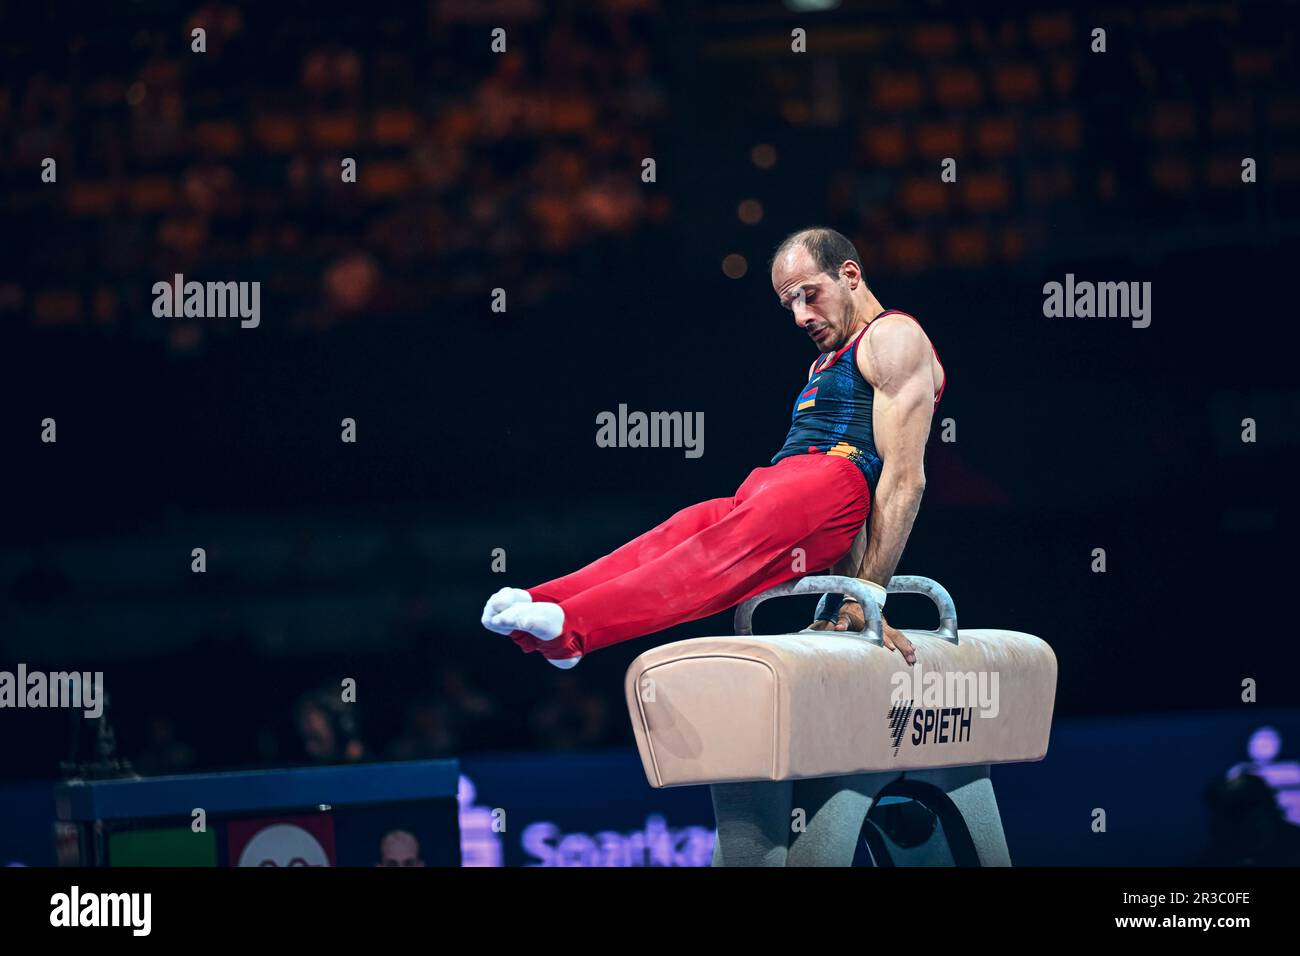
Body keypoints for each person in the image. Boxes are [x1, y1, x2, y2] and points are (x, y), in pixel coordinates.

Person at [483, 227, 945, 668]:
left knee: (708, 561)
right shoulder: (824, 362)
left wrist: (866, 597)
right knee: (674, 536)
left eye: (809, 294)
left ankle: (574, 628)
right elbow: (847, 527)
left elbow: (903, 480)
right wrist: (838, 599)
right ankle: (546, 600)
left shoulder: (893, 336)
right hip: (778, 483)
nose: (801, 316)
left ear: (849, 274)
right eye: (788, 305)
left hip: (829, 483)